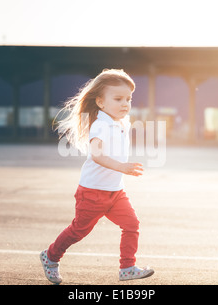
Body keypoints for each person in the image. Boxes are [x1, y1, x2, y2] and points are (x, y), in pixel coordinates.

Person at [40, 69, 154, 284]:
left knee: (131, 224)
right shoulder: (100, 125)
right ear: (101, 103)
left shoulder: (121, 122)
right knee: (78, 231)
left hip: (115, 192)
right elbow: (97, 155)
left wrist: (122, 170)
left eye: (128, 99)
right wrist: (123, 167)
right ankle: (51, 256)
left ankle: (127, 267)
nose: (125, 104)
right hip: (92, 191)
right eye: (118, 99)